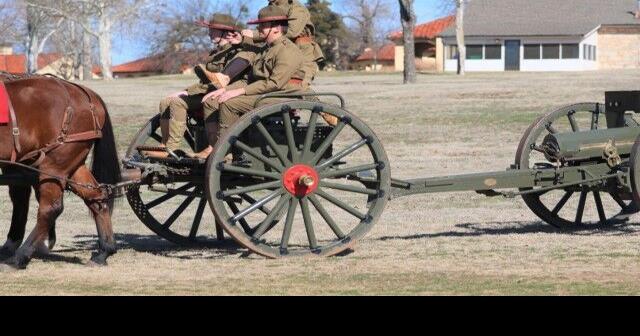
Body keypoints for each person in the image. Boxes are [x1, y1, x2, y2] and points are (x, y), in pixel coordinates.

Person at [201, 5, 309, 146]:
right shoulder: (266, 49)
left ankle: (226, 152)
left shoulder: (288, 51)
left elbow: (274, 83)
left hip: (282, 95)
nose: (259, 29)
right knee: (213, 99)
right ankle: (213, 147)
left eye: (263, 25)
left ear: (276, 28)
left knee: (229, 104)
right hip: (265, 93)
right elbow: (250, 79)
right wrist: (225, 90)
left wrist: (239, 92)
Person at [145, 14, 243, 159]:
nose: (209, 33)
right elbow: (205, 81)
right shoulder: (217, 52)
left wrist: (187, 93)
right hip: (209, 91)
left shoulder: (236, 52)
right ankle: (165, 145)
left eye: (213, 30)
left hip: (223, 93)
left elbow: (220, 82)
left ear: (225, 32)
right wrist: (185, 91)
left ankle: (172, 147)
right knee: (166, 101)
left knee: (178, 102)